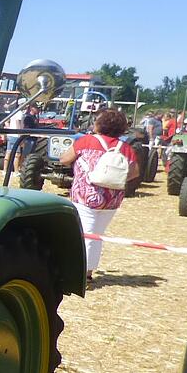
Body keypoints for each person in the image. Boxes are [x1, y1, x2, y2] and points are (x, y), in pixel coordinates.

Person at [58, 109, 139, 286]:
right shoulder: (125, 148)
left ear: (100, 124)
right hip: (112, 199)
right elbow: (134, 172)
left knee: (86, 234)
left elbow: (64, 159)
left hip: (86, 195)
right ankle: (88, 271)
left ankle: (81, 275)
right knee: (97, 235)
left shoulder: (86, 141)